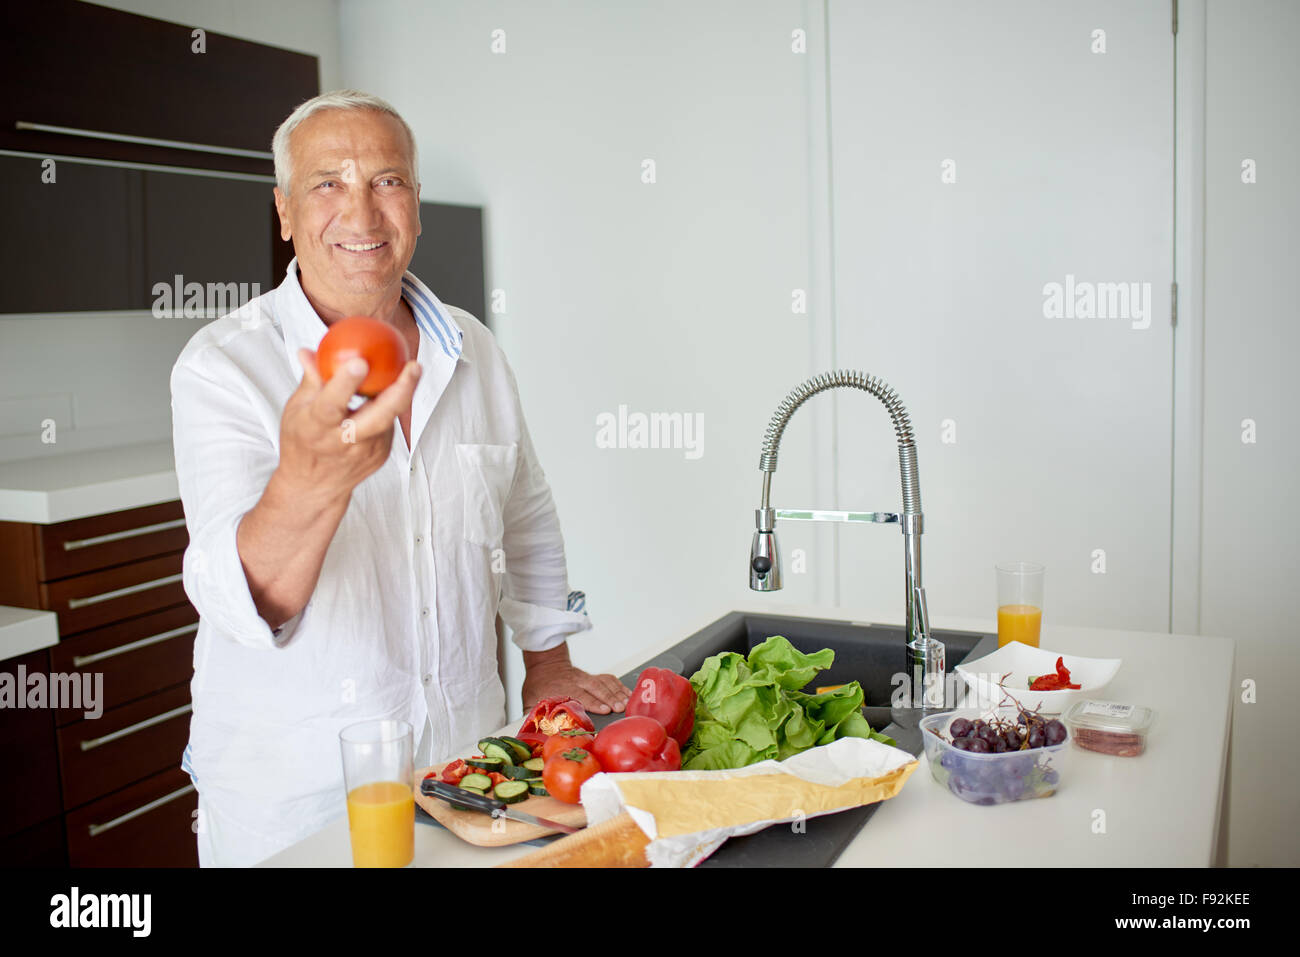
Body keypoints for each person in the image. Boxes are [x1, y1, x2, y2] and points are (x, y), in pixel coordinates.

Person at [170, 89, 629, 867]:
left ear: (415, 205)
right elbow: (247, 602)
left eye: (387, 181)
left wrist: (546, 661)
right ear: (283, 212)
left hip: (469, 781)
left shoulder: (472, 346)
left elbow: (526, 510)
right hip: (297, 810)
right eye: (328, 183)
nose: (362, 211)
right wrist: (308, 484)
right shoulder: (224, 367)